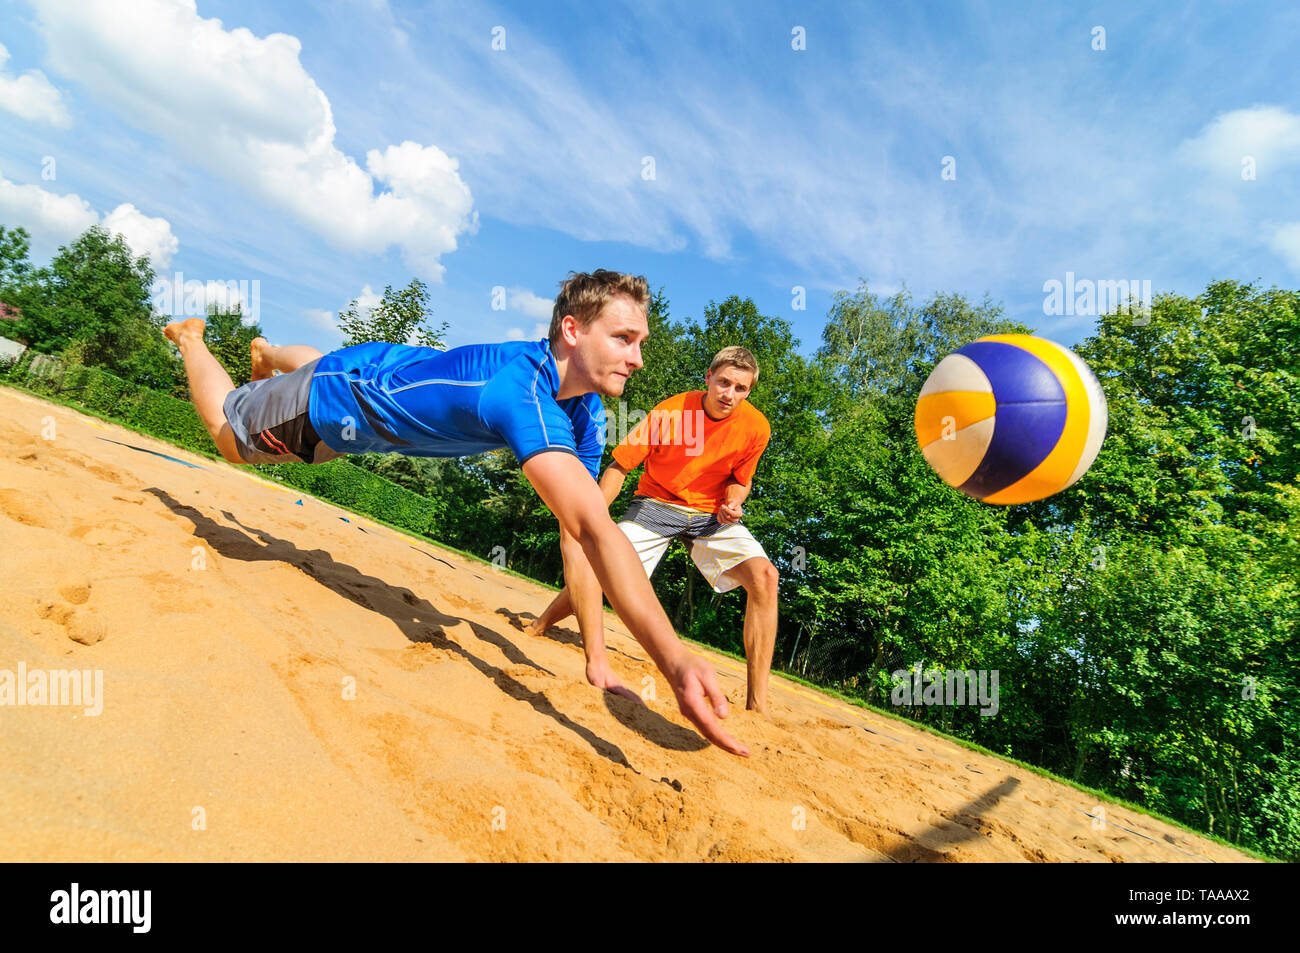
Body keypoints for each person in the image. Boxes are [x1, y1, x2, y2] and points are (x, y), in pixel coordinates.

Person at [162, 269, 748, 757]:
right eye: (624, 338)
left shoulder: (584, 411)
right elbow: (596, 530)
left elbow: (581, 532)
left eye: (640, 341)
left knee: (327, 362)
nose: (638, 358)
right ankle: (192, 339)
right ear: (572, 330)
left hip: (377, 386)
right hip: (341, 399)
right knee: (232, 439)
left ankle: (266, 352)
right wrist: (673, 660)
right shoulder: (517, 392)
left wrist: (597, 660)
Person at [527, 346, 779, 715]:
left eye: (740, 388)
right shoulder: (672, 411)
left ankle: (758, 704)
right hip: (656, 505)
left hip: (711, 517)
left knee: (766, 577)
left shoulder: (757, 427)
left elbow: (742, 480)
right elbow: (619, 465)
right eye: (724, 382)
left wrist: (734, 501)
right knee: (602, 570)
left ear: (749, 391)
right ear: (708, 378)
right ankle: (540, 625)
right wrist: (590, 515)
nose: (730, 394)